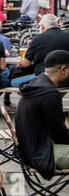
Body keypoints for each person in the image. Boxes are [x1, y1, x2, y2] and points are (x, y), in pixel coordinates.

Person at [14, 49, 69, 178]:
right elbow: (59, 135)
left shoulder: (36, 84)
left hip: (29, 150)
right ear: (63, 69)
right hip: (43, 154)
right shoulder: (49, 94)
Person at [15, 13, 69, 87]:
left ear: (43, 27)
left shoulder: (38, 39)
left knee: (14, 82)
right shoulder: (67, 36)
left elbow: (25, 63)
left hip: (44, 78)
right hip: (66, 79)